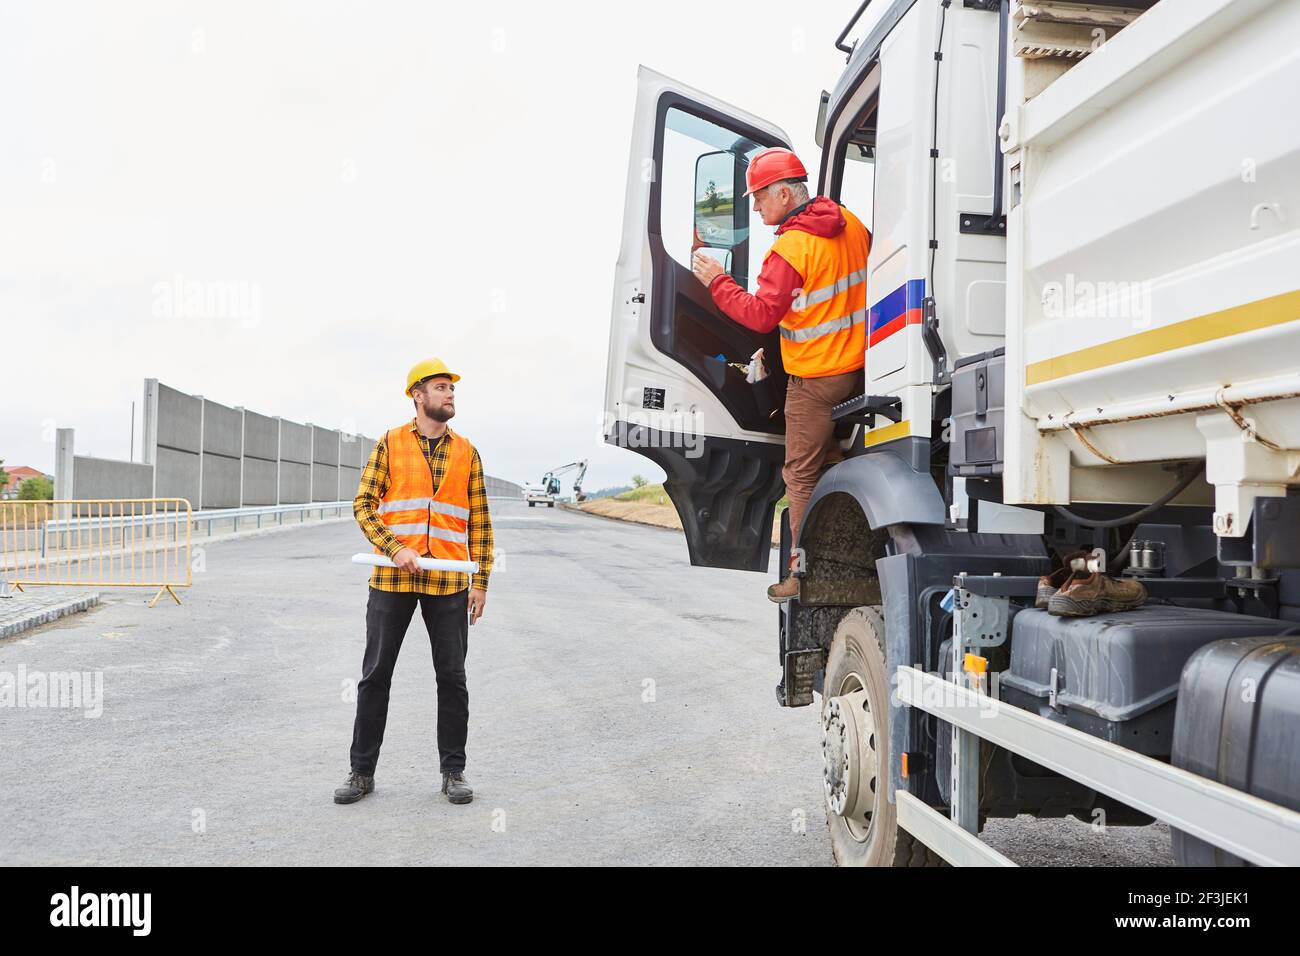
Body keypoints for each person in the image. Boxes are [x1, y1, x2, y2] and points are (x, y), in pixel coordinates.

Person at [691, 147, 869, 602]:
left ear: (785, 193)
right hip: (856, 369)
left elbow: (759, 316)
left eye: (758, 196)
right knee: (827, 461)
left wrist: (716, 281)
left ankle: (804, 573)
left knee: (799, 476)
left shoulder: (791, 247)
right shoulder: (850, 224)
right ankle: (847, 542)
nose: (754, 206)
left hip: (815, 379)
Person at [334, 357, 493, 806]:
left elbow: (479, 521)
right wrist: (394, 547)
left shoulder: (467, 451)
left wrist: (481, 582)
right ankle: (361, 772)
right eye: (441, 387)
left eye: (452, 389)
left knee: (452, 678)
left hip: (449, 583)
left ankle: (453, 772)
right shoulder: (389, 444)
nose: (449, 394)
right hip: (391, 579)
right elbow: (364, 504)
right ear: (417, 396)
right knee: (375, 677)